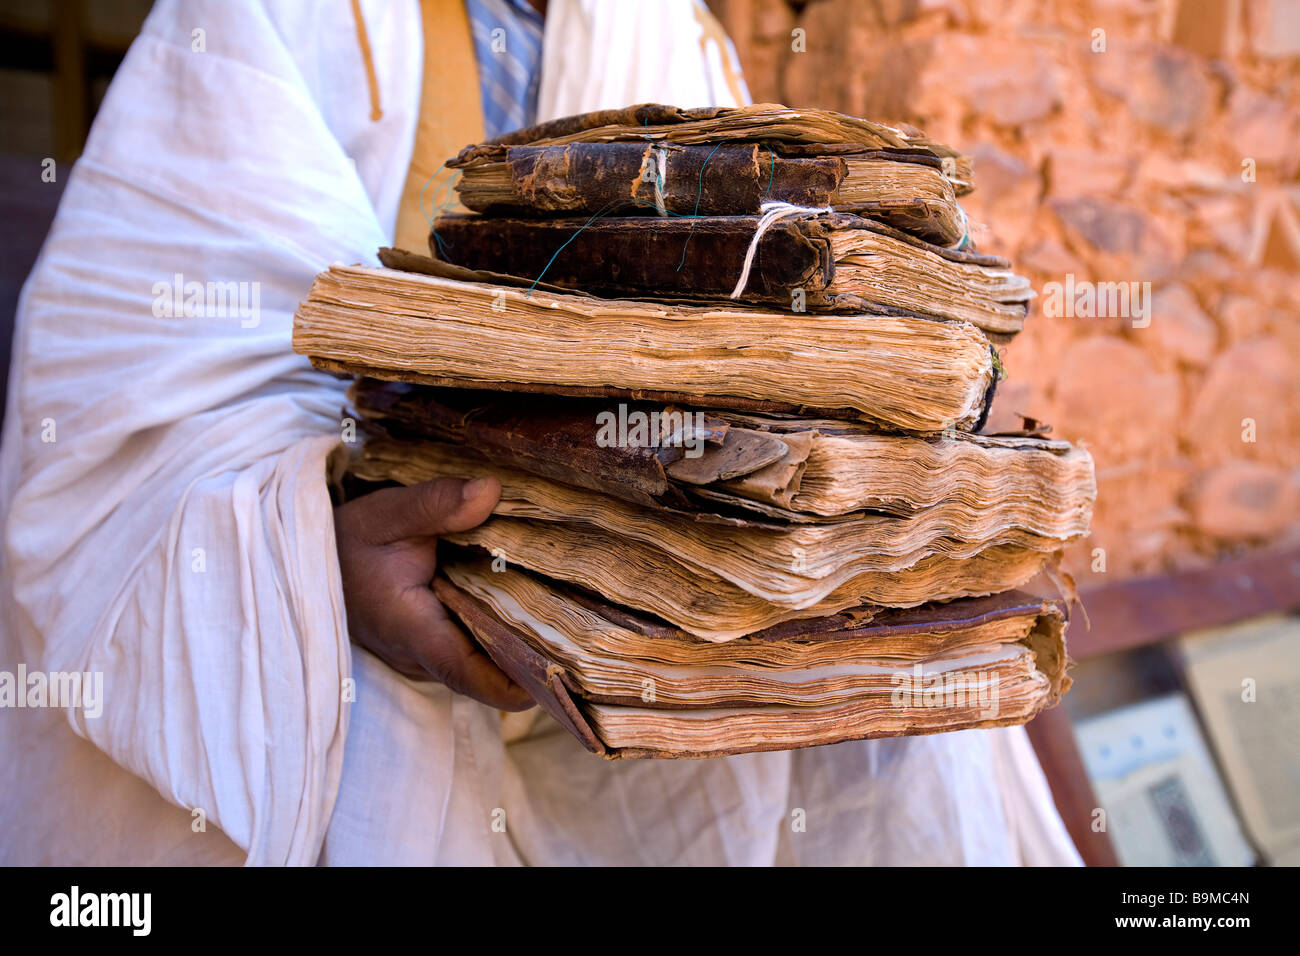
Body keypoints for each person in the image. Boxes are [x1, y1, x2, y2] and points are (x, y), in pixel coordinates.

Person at [0, 0, 1081, 865]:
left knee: (891, 711)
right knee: (368, 721)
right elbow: (130, 399)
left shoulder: (672, 37)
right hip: (364, 626)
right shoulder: (271, 18)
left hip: (666, 622)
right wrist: (310, 545)